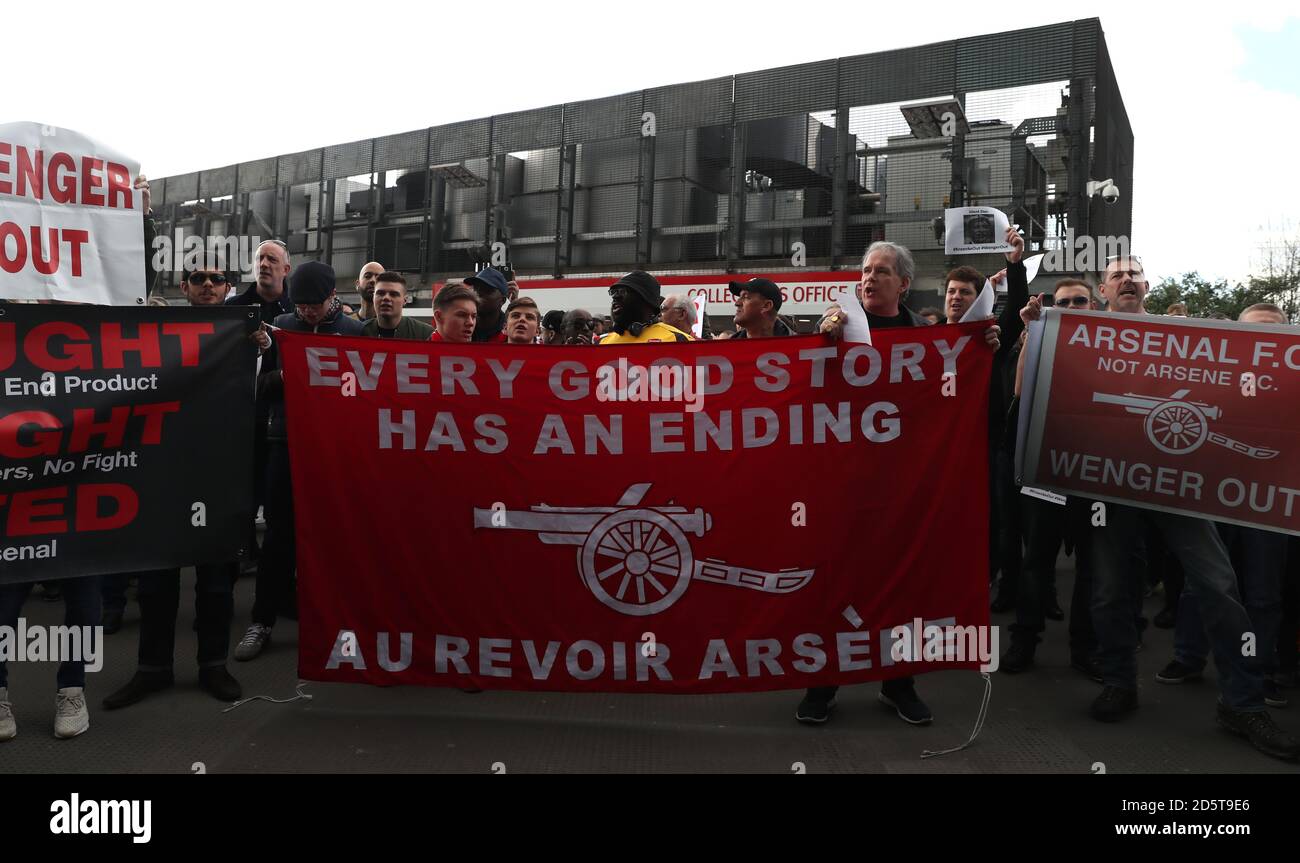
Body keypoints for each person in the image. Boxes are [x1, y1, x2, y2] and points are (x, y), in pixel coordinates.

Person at [1081, 257, 1297, 760]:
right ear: (1103, 290)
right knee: (1111, 589)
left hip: (1181, 484)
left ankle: (1241, 701)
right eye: (1118, 275)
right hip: (1112, 483)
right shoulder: (1082, 338)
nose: (1128, 281)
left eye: (1135, 274)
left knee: (1219, 585)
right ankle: (1118, 680)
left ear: (1148, 286)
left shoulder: (1183, 336)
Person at [802, 240, 1001, 727]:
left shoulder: (930, 340)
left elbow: (960, 402)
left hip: (903, 487)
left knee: (903, 582)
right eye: (866, 270)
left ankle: (899, 682)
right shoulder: (836, 331)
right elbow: (802, 394)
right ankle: (822, 683)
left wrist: (983, 351)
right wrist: (817, 340)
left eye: (882, 272)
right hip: (845, 486)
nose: (869, 278)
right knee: (835, 583)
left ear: (904, 284)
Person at [103, 265, 257, 708]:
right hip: (163, 470)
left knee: (215, 583)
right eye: (197, 278)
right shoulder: (154, 333)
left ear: (228, 288)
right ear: (184, 288)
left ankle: (213, 665)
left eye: (216, 278)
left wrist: (263, 350)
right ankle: (152, 669)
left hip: (218, 471)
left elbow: (264, 388)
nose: (207, 284)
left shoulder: (245, 334)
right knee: (155, 580)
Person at [1156, 303, 1291, 709]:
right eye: (1253, 331)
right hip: (1214, 493)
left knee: (1264, 592)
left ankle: (1259, 668)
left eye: (1272, 332)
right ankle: (1189, 655)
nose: (1262, 339)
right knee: (1203, 582)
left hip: (1271, 500)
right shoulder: (1215, 375)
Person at [235, 262, 364, 662]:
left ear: (332, 298)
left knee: (335, 537)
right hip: (285, 442)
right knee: (277, 537)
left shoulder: (356, 333)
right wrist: (289, 379)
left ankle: (336, 620)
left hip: (335, 449)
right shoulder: (282, 327)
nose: (308, 312)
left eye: (315, 305)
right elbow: (259, 384)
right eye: (303, 305)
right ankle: (262, 619)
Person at [1001, 279, 1103, 679]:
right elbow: (1021, 390)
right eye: (1063, 302)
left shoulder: (1113, 346)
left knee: (1092, 566)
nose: (1073, 305)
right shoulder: (1040, 337)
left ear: (1093, 306)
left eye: (1080, 300)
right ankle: (1024, 639)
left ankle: (1084, 647)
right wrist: (1030, 334)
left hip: (1096, 476)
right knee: (1036, 560)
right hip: (1048, 471)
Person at [226, 240, 295, 576]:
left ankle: (277, 564)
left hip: (285, 420)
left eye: (272, 259)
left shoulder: (299, 309)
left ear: (286, 269)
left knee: (280, 498)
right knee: (245, 488)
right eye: (259, 258)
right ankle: (244, 551)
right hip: (245, 417)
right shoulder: (235, 308)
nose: (264, 264)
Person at [597, 271, 691, 345]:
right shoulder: (602, 343)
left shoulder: (679, 340)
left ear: (647, 301)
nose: (615, 297)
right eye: (614, 292)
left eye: (623, 291)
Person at [361, 272, 433, 340]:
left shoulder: (425, 334)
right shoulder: (359, 332)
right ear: (373, 297)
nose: (386, 298)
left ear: (405, 300)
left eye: (393, 294)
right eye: (380, 293)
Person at [465, 269, 510, 343]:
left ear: (502, 300)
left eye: (487, 290)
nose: (478, 294)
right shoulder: (461, 328)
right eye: (475, 289)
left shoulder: (511, 332)